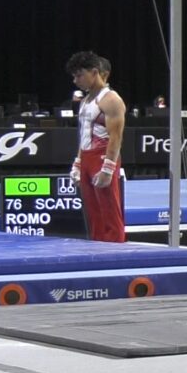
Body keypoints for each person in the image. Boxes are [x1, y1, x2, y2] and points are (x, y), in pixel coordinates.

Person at [65, 52, 127, 243]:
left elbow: (116, 137)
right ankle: (98, 248)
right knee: (94, 213)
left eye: (79, 75)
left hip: (103, 157)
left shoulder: (111, 100)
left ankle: (116, 250)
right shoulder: (85, 102)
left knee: (109, 211)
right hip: (87, 157)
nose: (76, 81)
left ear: (94, 72)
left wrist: (108, 169)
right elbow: (84, 134)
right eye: (74, 76)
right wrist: (77, 162)